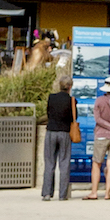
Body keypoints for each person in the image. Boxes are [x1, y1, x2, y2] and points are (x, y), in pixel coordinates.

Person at [42, 73, 75, 201]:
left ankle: (47, 193)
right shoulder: (71, 100)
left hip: (51, 131)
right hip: (64, 132)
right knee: (64, 163)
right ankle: (62, 194)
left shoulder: (52, 97)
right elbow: (73, 117)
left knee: (49, 162)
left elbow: (49, 113)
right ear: (70, 87)